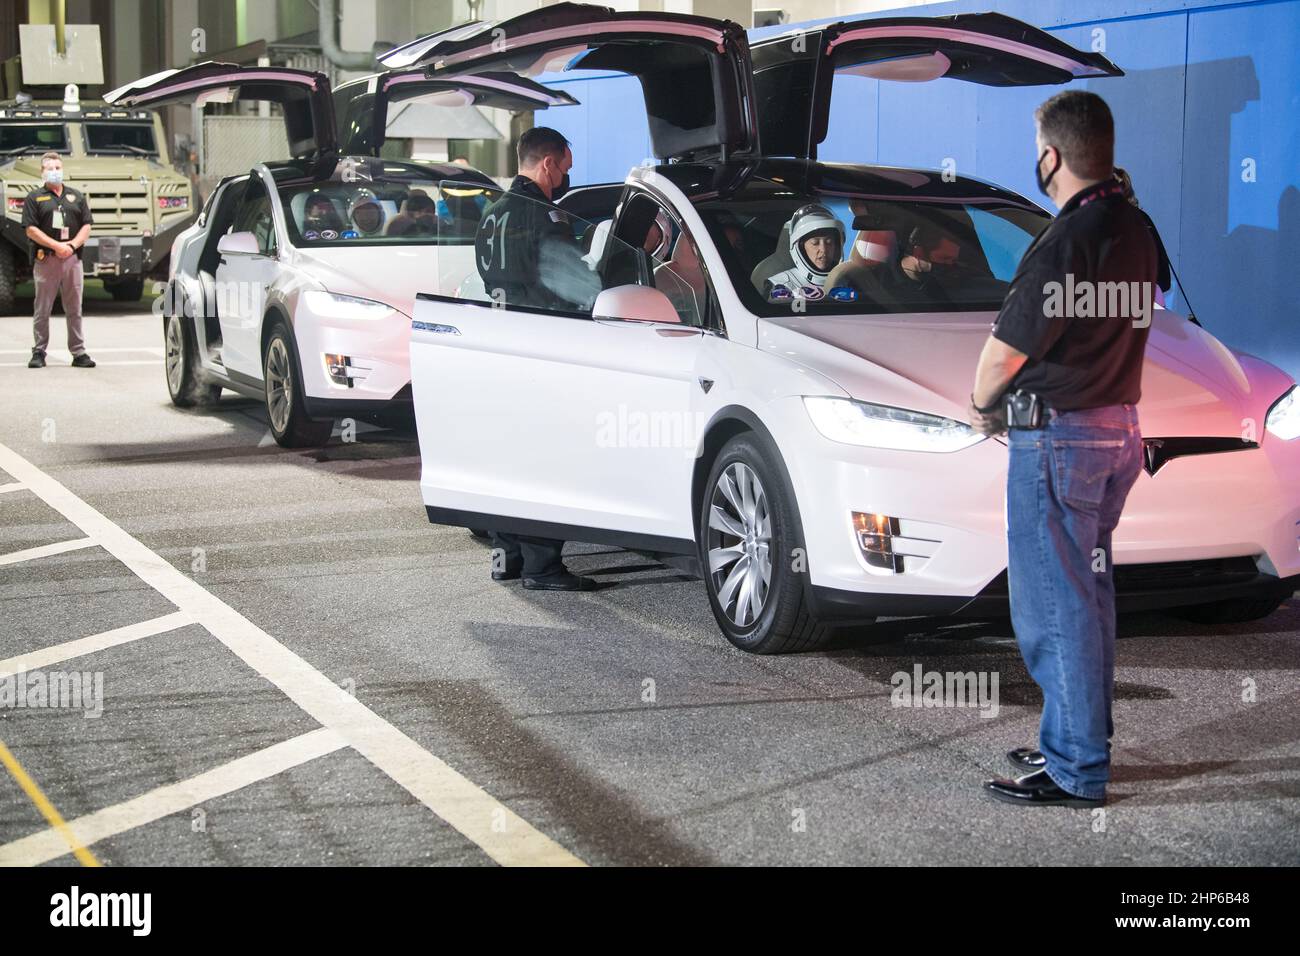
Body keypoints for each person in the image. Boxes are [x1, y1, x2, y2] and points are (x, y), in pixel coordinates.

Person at [969, 90, 1157, 808]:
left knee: (1055, 604)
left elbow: (1005, 353)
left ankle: (1076, 766)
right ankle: (1079, 737)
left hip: (1060, 434)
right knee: (1089, 596)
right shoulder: (1134, 226)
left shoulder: (1067, 238)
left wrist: (982, 405)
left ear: (1049, 155)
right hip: (1117, 429)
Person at [473, 126, 597, 592]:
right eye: (565, 167)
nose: (565, 176)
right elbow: (574, 286)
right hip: (543, 348)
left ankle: (508, 557)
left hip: (501, 346)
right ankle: (542, 567)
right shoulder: (545, 216)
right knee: (548, 459)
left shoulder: (491, 213)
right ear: (548, 163)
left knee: (510, 456)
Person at [23, 152, 95, 369]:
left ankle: (79, 352)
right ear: (42, 172)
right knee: (42, 308)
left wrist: (71, 246)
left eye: (58, 167)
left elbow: (87, 225)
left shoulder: (76, 196)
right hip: (47, 260)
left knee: (75, 308)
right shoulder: (35, 198)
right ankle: (39, 351)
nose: (55, 171)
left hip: (72, 260)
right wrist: (56, 246)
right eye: (50, 168)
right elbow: (30, 229)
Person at [762, 204, 844, 301]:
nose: (823, 249)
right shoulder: (781, 285)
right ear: (799, 247)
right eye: (815, 243)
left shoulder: (847, 281)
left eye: (829, 242)